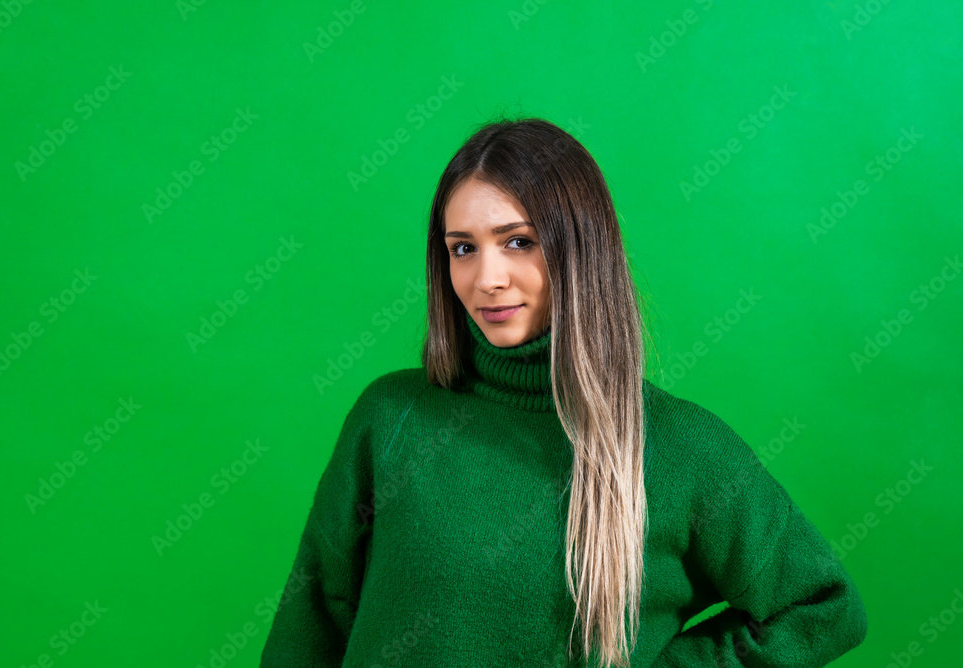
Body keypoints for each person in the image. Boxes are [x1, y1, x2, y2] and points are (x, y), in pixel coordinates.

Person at [259, 118, 868, 667]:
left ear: (580, 248)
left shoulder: (680, 447)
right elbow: (314, 612)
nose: (487, 279)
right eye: (463, 249)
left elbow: (821, 605)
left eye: (518, 241)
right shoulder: (390, 417)